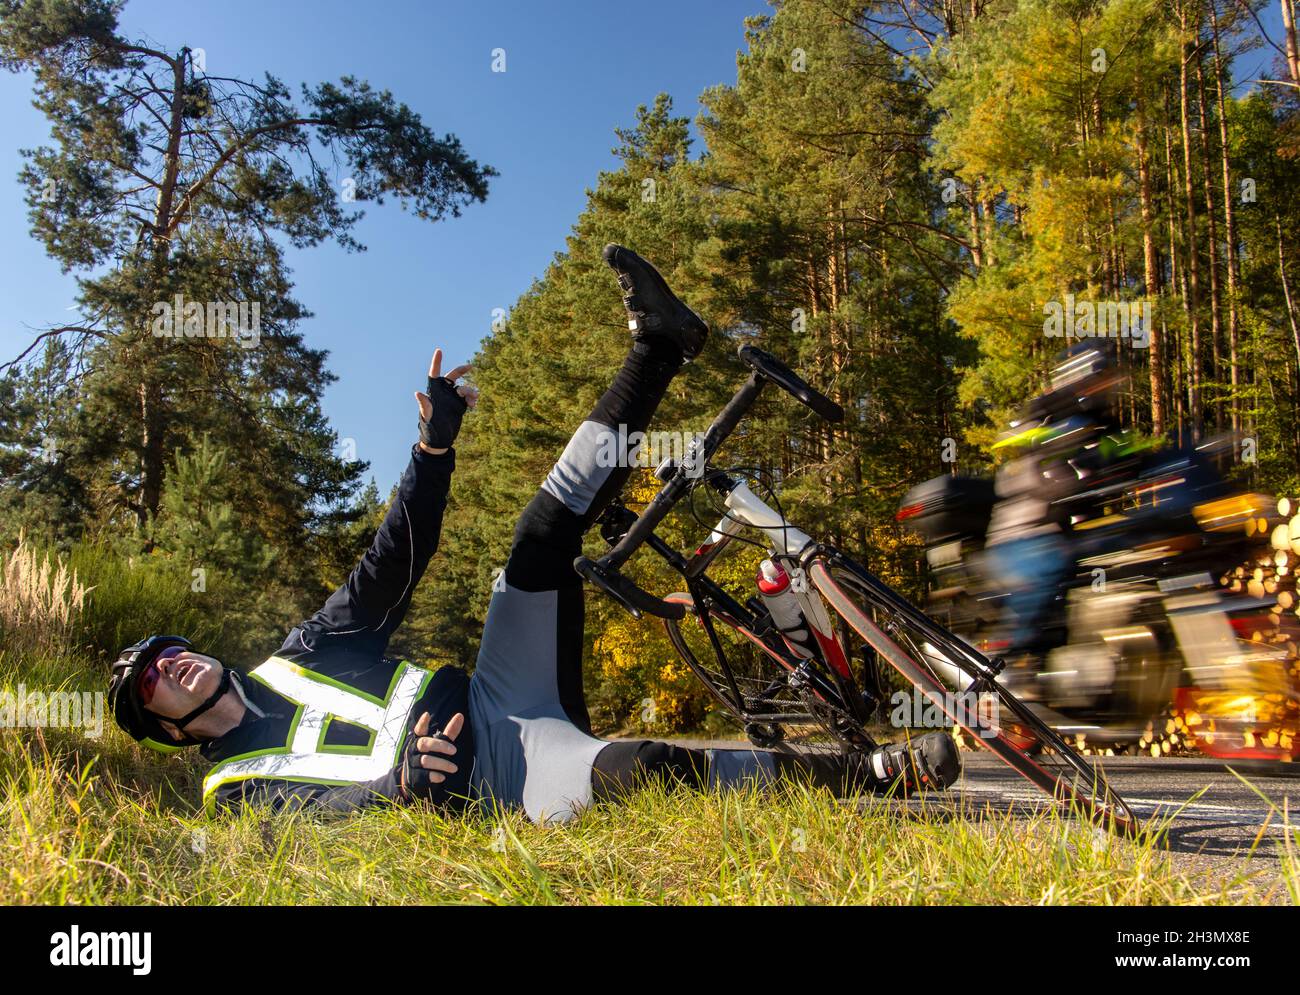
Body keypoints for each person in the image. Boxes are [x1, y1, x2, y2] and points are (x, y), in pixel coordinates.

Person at [108, 245, 960, 822]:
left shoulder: (297, 654)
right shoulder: (231, 787)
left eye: (163, 650)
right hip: (504, 777)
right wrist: (404, 789)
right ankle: (872, 772)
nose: (167, 665)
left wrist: (432, 449)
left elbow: (390, 563)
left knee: (539, 538)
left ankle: (659, 347)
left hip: (493, 691)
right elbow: (311, 826)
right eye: (150, 683)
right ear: (169, 729)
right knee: (639, 770)